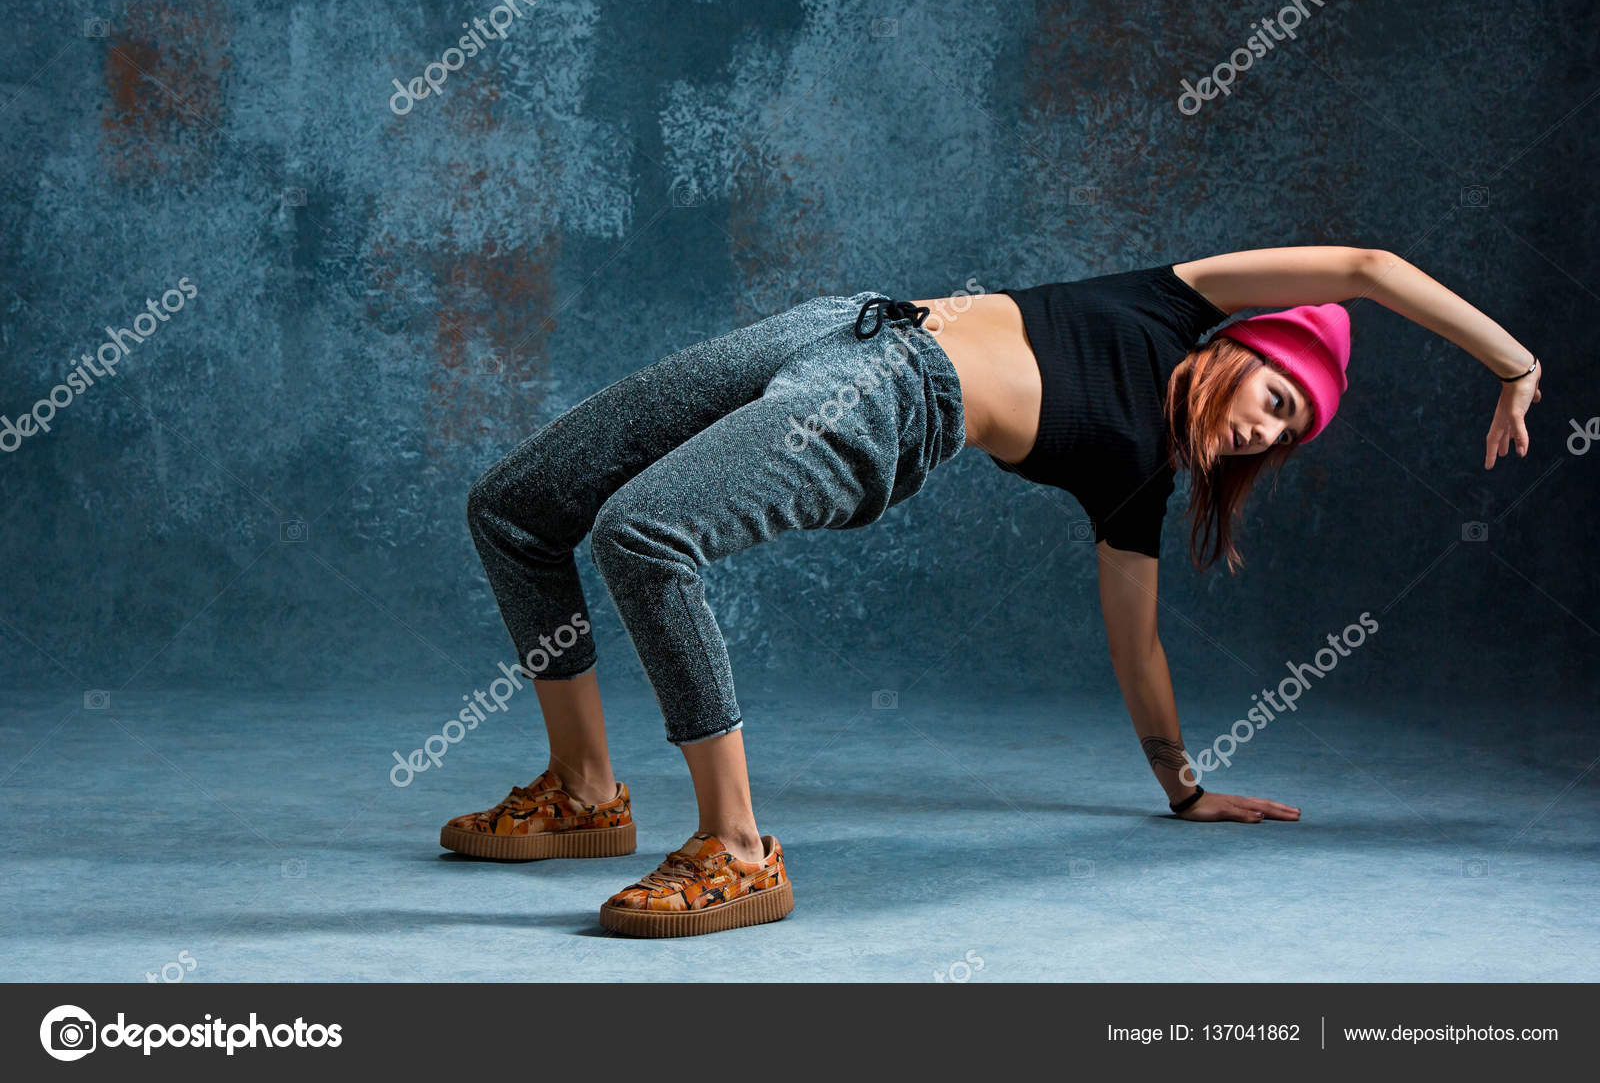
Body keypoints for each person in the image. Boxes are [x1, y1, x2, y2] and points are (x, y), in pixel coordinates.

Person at [441, 245, 1542, 938]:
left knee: (645, 533)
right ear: (1239, 348)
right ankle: (585, 790)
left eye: (1286, 433)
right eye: (1274, 394)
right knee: (515, 506)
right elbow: (1365, 269)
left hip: (891, 400)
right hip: (838, 321)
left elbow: (1138, 647)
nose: (1264, 427)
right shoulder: (1167, 303)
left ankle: (735, 849)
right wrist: (1511, 365)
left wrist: (1183, 787)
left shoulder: (1135, 481)